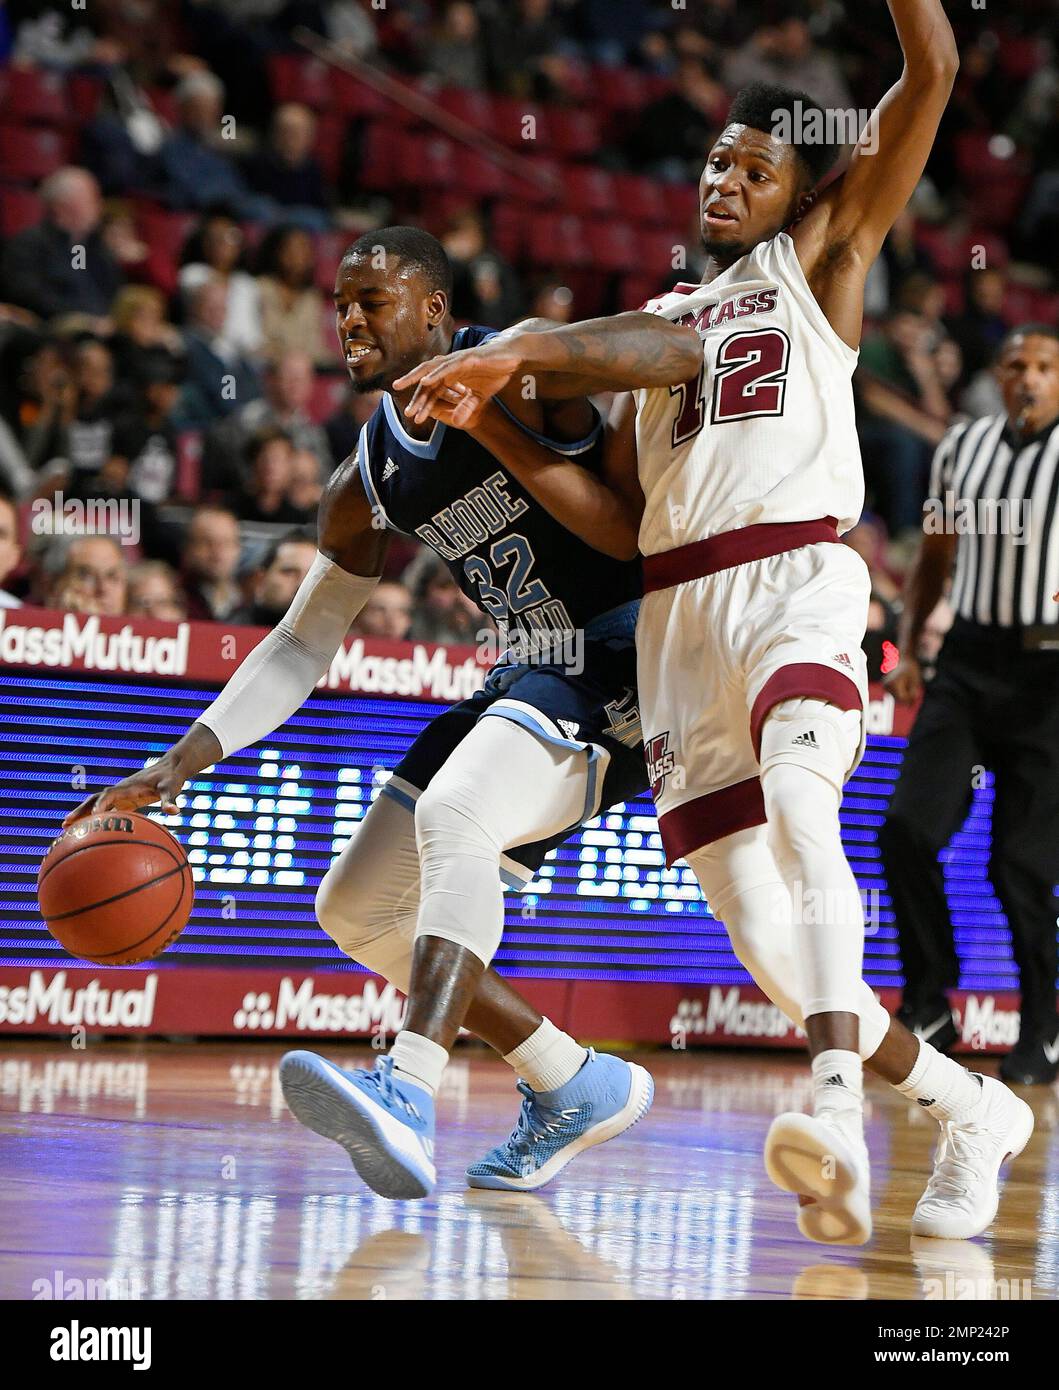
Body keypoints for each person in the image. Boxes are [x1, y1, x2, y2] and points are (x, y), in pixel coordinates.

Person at [398, 0, 1033, 1248]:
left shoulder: (821, 264)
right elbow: (620, 523)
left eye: (758, 166)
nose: (727, 178)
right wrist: (494, 423)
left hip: (799, 573)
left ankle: (839, 1109)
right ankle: (972, 1107)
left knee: (808, 815)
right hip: (680, 618)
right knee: (762, 935)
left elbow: (935, 66)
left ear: (802, 195)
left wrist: (527, 350)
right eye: (715, 162)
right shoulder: (662, 327)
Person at [62, 226, 697, 1200]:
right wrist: (180, 761)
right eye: (342, 303)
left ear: (437, 311)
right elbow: (302, 641)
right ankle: (575, 1078)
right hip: (531, 669)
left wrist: (527, 355)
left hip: (626, 652)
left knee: (457, 819)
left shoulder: (520, 365)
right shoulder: (365, 477)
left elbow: (673, 350)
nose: (350, 319)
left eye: (374, 301)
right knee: (356, 907)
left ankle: (407, 1087)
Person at [881, 325, 1059, 1085]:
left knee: (1018, 863)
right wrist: (910, 647)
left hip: (1048, 672)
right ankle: (927, 1001)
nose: (1029, 378)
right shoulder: (963, 447)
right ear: (996, 372)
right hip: (964, 659)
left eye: (1045, 367)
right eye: (1016, 364)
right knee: (904, 829)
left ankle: (1041, 1029)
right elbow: (935, 556)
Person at [0, 169, 124, 326]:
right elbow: (26, 293)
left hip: (100, 326)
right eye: (91, 199)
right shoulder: (30, 244)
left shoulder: (87, 248)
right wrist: (82, 318)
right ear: (62, 206)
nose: (99, 206)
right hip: (53, 328)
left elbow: (108, 291)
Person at [230, 528, 317, 627]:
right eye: (289, 572)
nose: (301, 584)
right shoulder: (228, 632)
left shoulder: (333, 636)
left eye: (312, 575)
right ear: (260, 580)